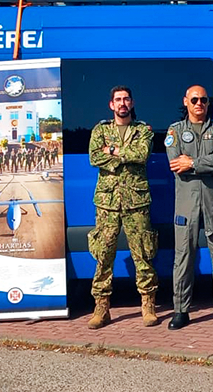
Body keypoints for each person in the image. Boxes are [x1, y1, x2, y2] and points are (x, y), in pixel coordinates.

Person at [164, 85, 213, 329]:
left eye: (203, 100)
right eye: (194, 99)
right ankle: (181, 310)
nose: (199, 103)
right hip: (187, 204)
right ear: (186, 101)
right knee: (183, 256)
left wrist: (193, 162)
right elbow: (175, 163)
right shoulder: (176, 131)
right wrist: (201, 164)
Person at [86, 86, 158, 329]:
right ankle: (101, 308)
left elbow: (142, 154)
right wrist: (125, 155)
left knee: (143, 254)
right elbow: (94, 157)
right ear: (111, 104)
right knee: (104, 254)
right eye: (118, 100)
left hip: (136, 201)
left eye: (126, 99)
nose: (122, 103)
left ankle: (148, 305)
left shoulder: (143, 130)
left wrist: (114, 151)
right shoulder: (100, 130)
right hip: (107, 203)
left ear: (132, 102)